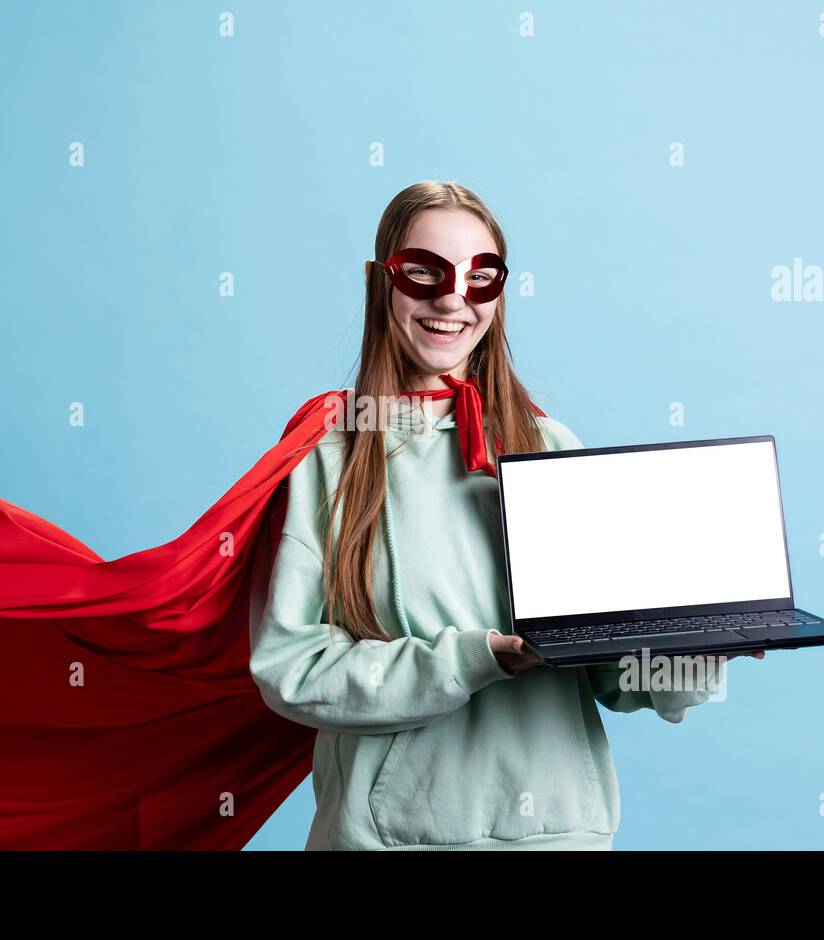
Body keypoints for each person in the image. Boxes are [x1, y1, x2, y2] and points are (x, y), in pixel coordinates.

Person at [247, 180, 763, 850]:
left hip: (560, 835)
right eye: (423, 272)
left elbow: (612, 673)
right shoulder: (329, 460)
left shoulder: (551, 449)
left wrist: (695, 650)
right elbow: (294, 672)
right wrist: (474, 659)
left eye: (480, 277)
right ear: (381, 282)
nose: (452, 298)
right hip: (383, 839)